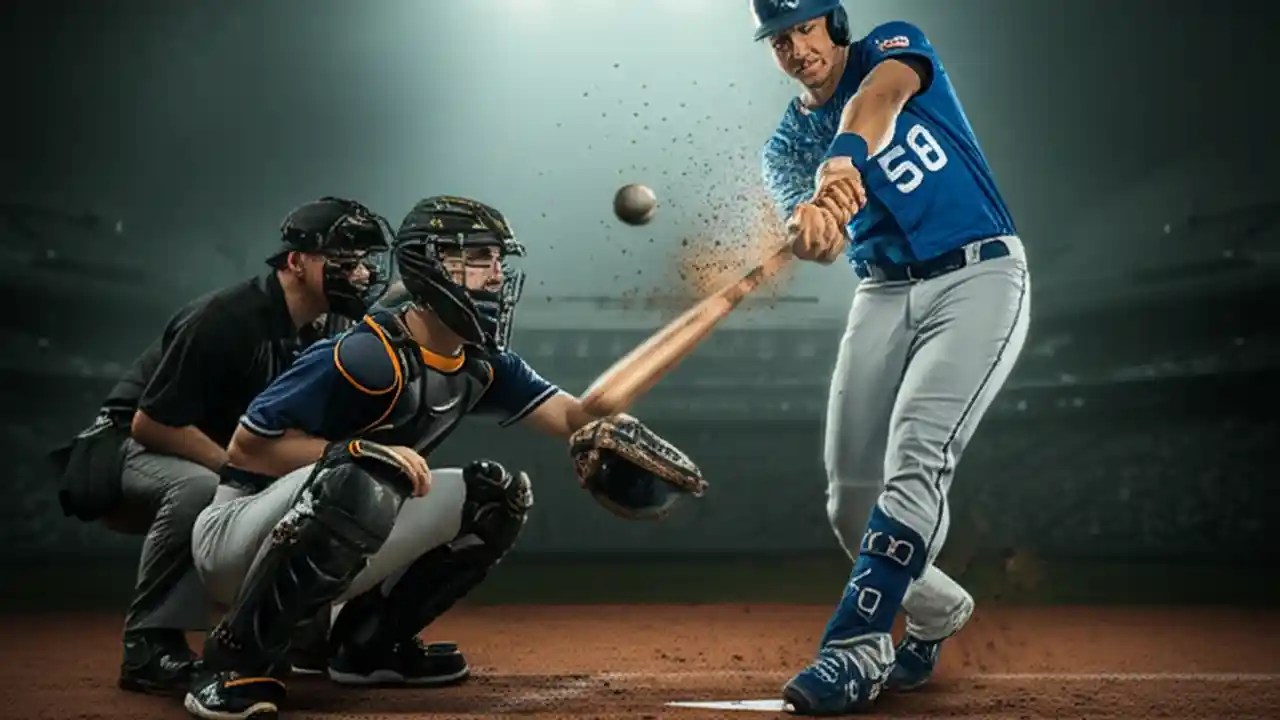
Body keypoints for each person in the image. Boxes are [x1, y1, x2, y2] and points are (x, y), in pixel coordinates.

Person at [182, 195, 697, 720]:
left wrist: (618, 430)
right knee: (365, 472)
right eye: (477, 257)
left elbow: (573, 418)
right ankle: (231, 662)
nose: (496, 275)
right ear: (430, 264)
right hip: (235, 534)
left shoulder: (482, 362)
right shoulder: (368, 353)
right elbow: (246, 447)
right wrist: (349, 451)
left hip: (338, 515)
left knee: (496, 497)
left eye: (499, 259)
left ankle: (365, 647)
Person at [751, 0, 1032, 714]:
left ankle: (855, 651)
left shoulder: (891, 48)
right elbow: (824, 239)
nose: (797, 48)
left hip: (977, 274)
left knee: (915, 456)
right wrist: (812, 225)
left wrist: (840, 164)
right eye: (780, 38)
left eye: (807, 28)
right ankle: (938, 611)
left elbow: (880, 99)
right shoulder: (785, 145)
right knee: (849, 504)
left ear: (835, 23)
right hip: (881, 293)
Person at [51, 196, 393, 697]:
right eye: (344, 260)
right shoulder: (227, 317)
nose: (360, 273)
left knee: (320, 486)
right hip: (125, 445)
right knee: (201, 489)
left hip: (223, 449)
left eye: (364, 262)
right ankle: (149, 645)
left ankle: (300, 636)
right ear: (296, 262)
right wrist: (238, 472)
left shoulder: (335, 327)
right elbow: (152, 423)